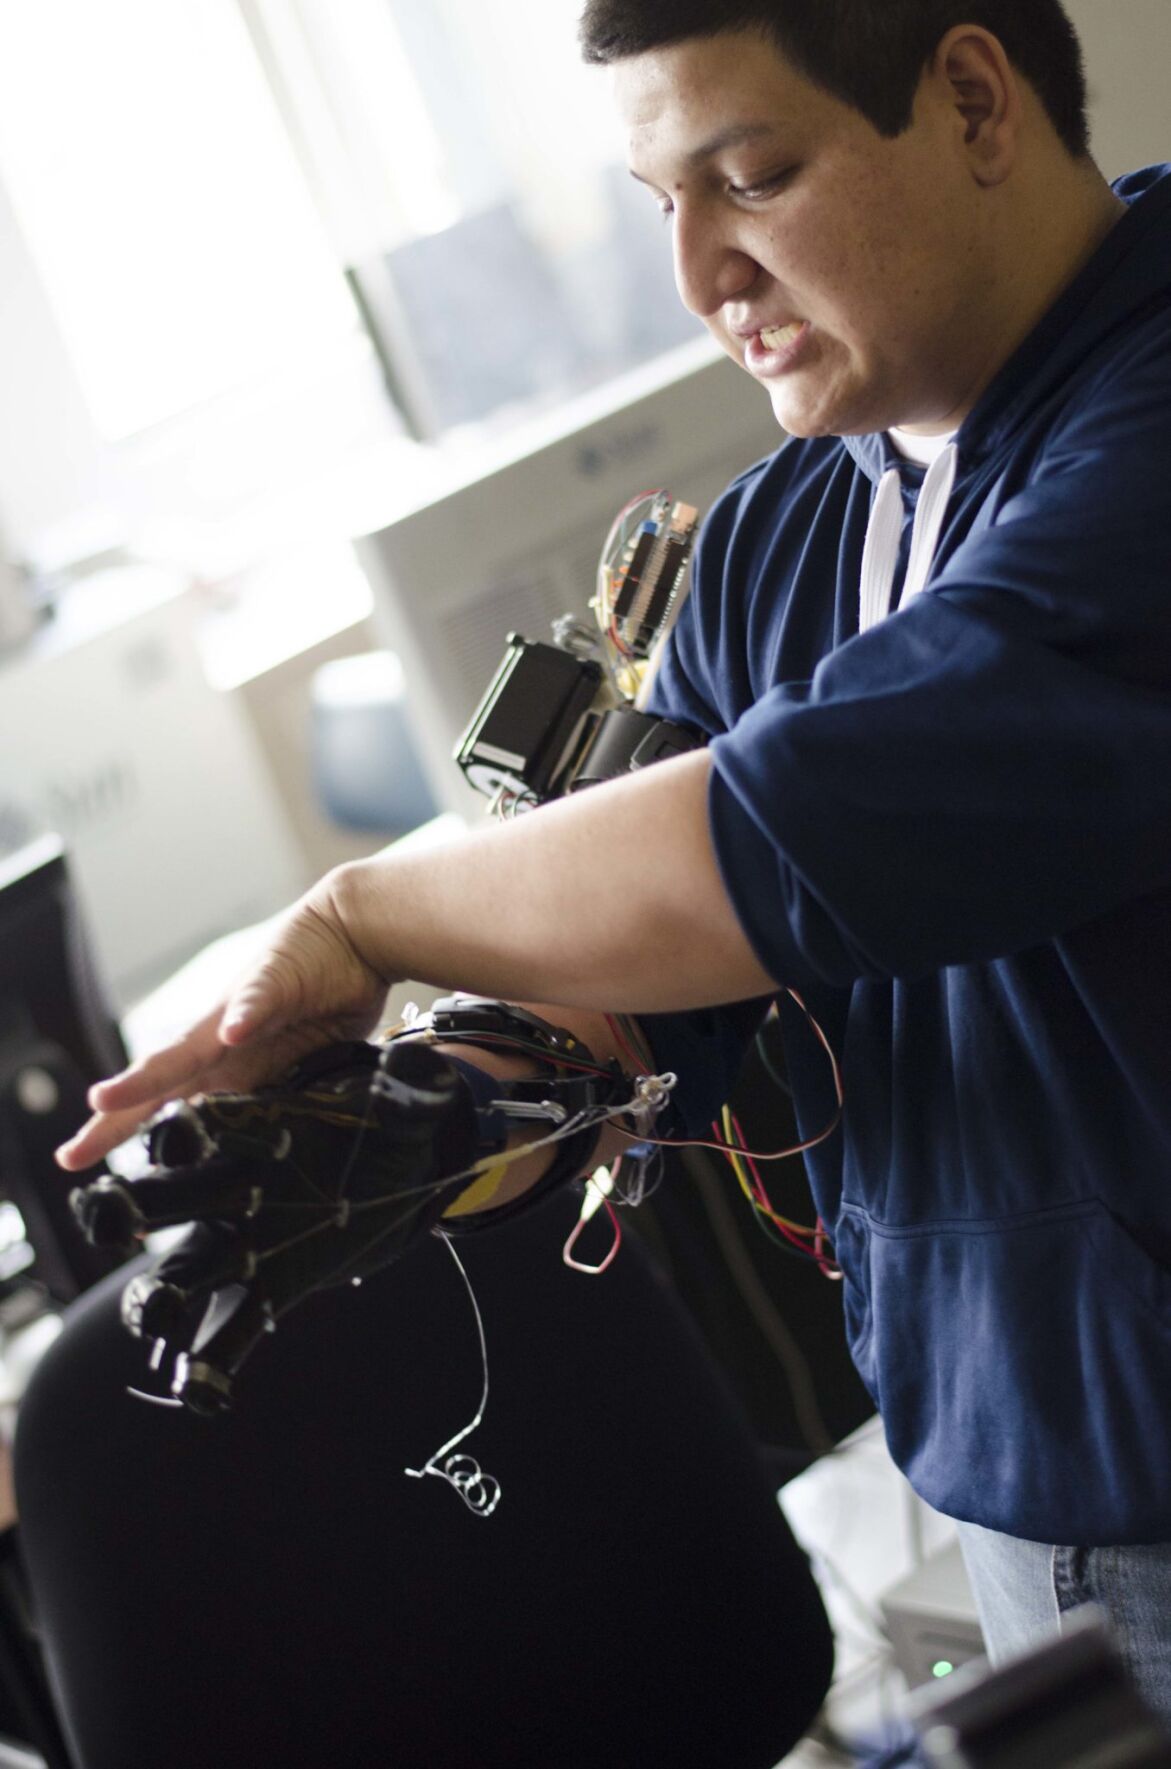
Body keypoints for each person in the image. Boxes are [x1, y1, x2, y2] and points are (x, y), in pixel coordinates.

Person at [58, 0, 1171, 1727]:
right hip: (1019, 1474)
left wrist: (366, 910)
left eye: (753, 176)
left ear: (969, 99)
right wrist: (390, 1122)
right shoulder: (773, 543)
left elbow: (798, 831)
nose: (703, 275)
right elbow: (643, 986)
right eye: (662, 202)